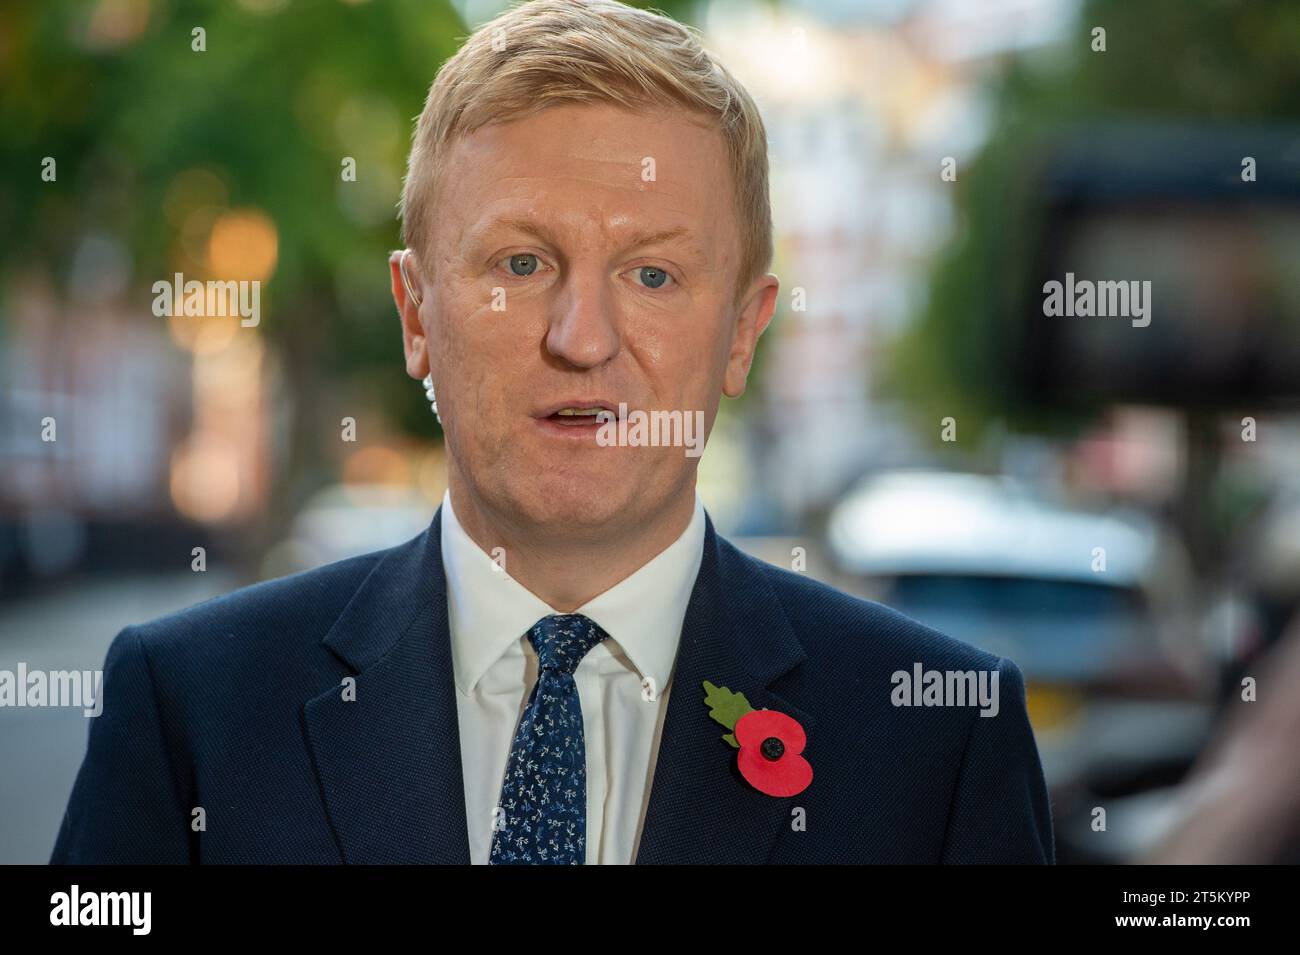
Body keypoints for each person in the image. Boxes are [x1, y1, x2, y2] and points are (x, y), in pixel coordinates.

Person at [51, 0, 1053, 864]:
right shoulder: (193, 708)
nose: (581, 340)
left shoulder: (937, 741)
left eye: (652, 274)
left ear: (742, 334)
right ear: (415, 315)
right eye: (521, 264)